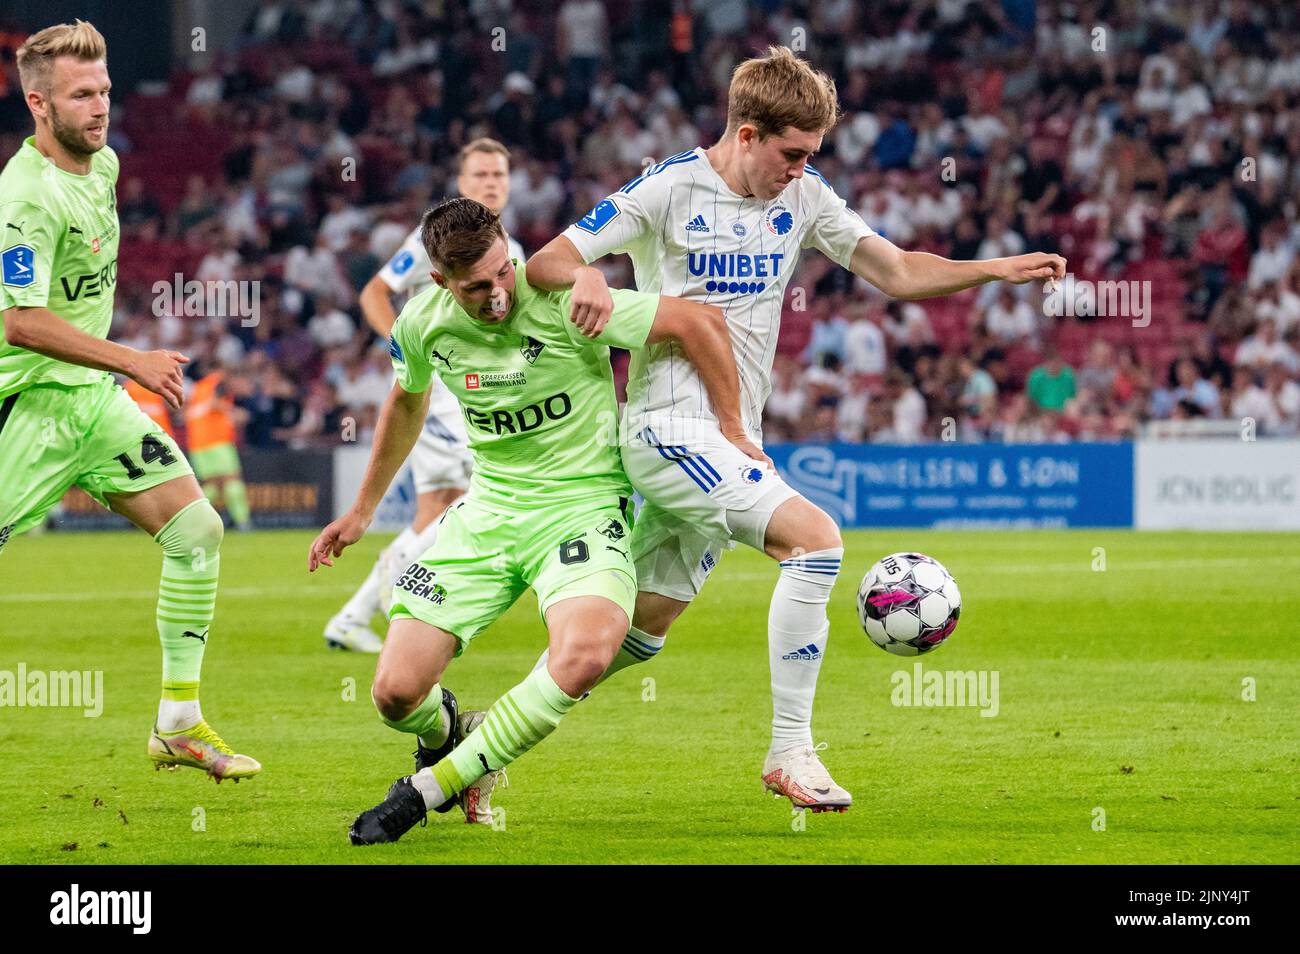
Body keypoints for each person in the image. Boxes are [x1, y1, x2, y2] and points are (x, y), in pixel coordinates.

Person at [526, 45, 1065, 811]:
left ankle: (481, 740)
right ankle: (791, 751)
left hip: (727, 432)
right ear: (746, 133)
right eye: (791, 153)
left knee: (632, 633)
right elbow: (546, 260)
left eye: (812, 155)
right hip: (667, 427)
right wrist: (586, 271)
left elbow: (898, 270)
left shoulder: (805, 197)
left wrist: (993, 267)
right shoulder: (668, 188)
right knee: (815, 543)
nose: (801, 169)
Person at [308, 199, 752, 843]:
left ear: (510, 251)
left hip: (581, 509)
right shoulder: (421, 323)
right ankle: (448, 731)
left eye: (501, 274)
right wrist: (362, 510)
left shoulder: (566, 298)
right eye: (475, 287)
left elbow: (699, 323)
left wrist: (733, 428)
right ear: (440, 283)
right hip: (487, 514)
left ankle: (433, 786)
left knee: (584, 656)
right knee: (394, 695)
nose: (495, 295)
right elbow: (405, 403)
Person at [0, 20, 258, 781]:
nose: (102, 106)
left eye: (106, 90)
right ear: (39, 104)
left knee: (197, 529)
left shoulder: (104, 164)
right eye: (83, 95)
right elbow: (21, 322)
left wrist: (114, 369)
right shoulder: (24, 197)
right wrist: (132, 360)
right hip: (25, 406)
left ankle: (178, 722)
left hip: (90, 400)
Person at [324, 138, 525, 653]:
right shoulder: (432, 242)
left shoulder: (508, 250)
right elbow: (374, 291)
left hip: (477, 394)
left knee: (437, 510)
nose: (491, 184)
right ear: (461, 184)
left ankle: (354, 615)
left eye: (499, 175)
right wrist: (407, 352)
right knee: (478, 500)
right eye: (480, 175)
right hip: (441, 396)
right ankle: (403, 606)